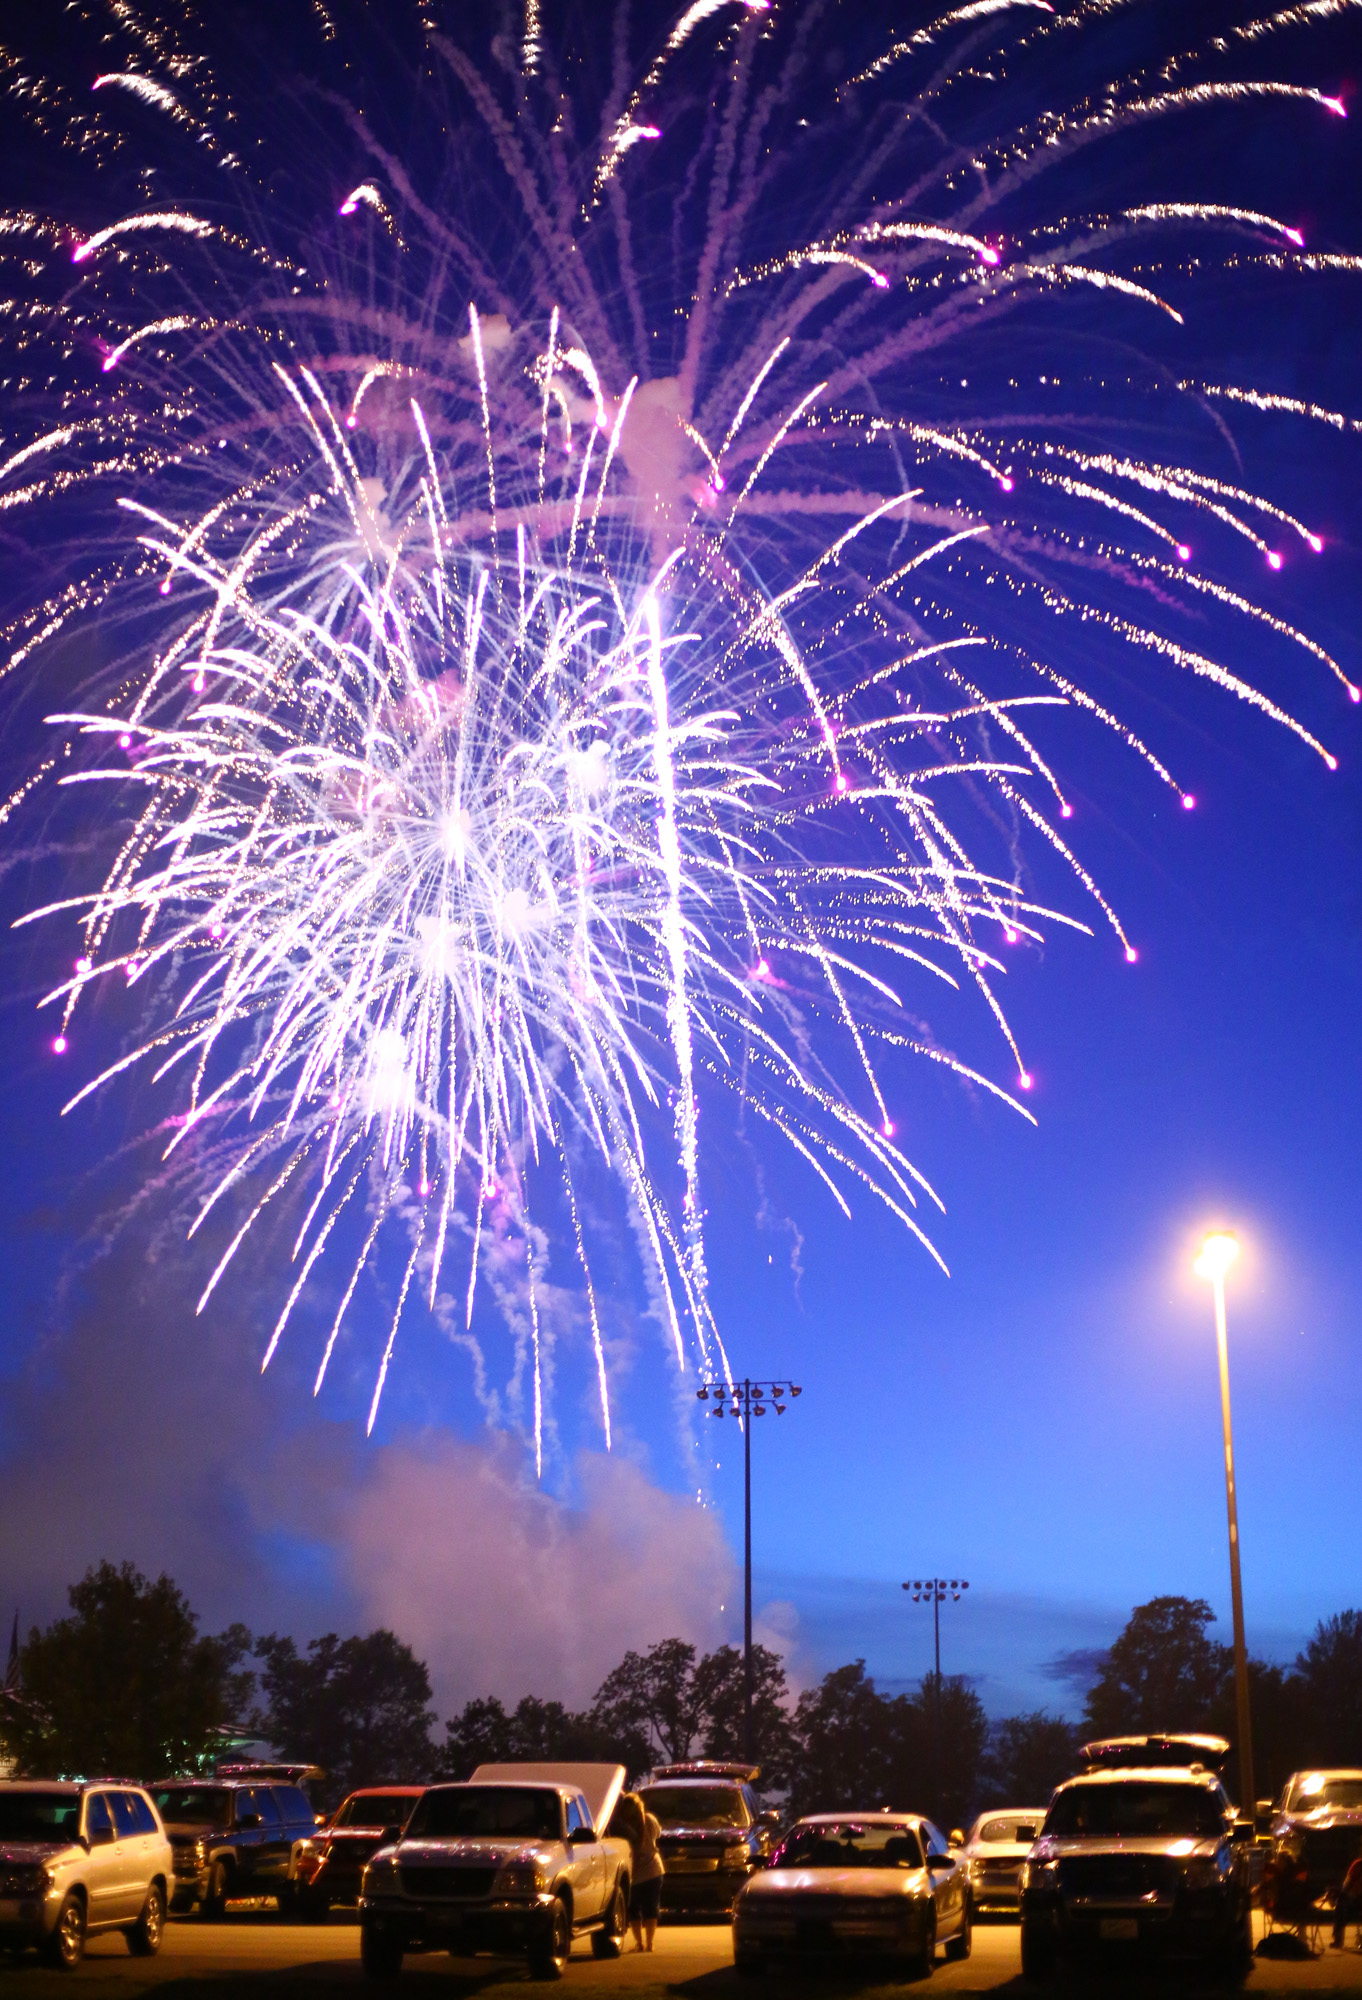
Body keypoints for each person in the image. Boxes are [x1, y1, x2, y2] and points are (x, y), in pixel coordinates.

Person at [609, 1791, 664, 1952]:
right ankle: (650, 1943)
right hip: (653, 1868)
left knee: (633, 1908)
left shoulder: (622, 1825)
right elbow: (657, 1835)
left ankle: (639, 1943)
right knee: (651, 1907)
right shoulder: (650, 1819)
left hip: (634, 1871)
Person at [1331, 1850, 1362, 1949]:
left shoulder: (1358, 1865)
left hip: (1357, 1900)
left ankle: (1338, 1939)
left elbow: (1346, 1884)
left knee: (1341, 1906)